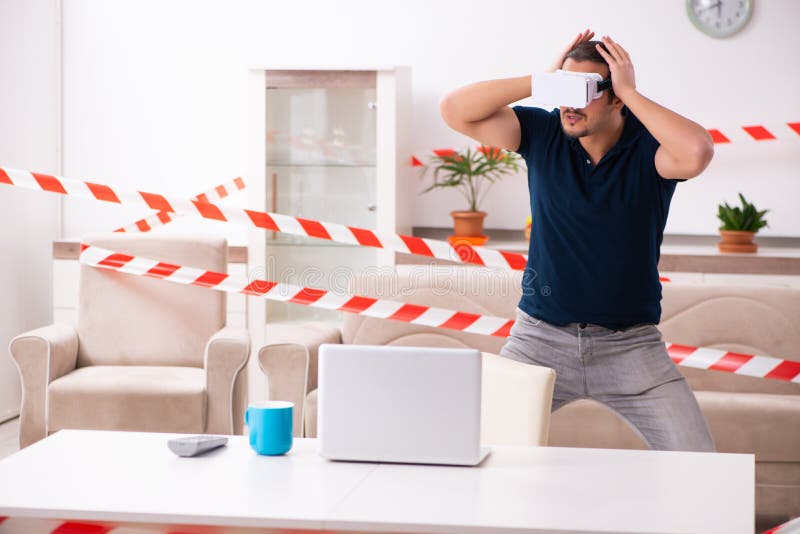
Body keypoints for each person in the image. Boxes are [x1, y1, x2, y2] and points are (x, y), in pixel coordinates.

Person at [439, 30, 716, 452]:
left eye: (584, 90)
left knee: (700, 465)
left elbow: (697, 150)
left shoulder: (650, 150)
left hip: (631, 347)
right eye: (563, 89)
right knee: (469, 451)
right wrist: (542, 80)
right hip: (539, 340)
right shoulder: (542, 133)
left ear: (616, 98)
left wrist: (630, 91)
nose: (569, 103)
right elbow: (455, 110)